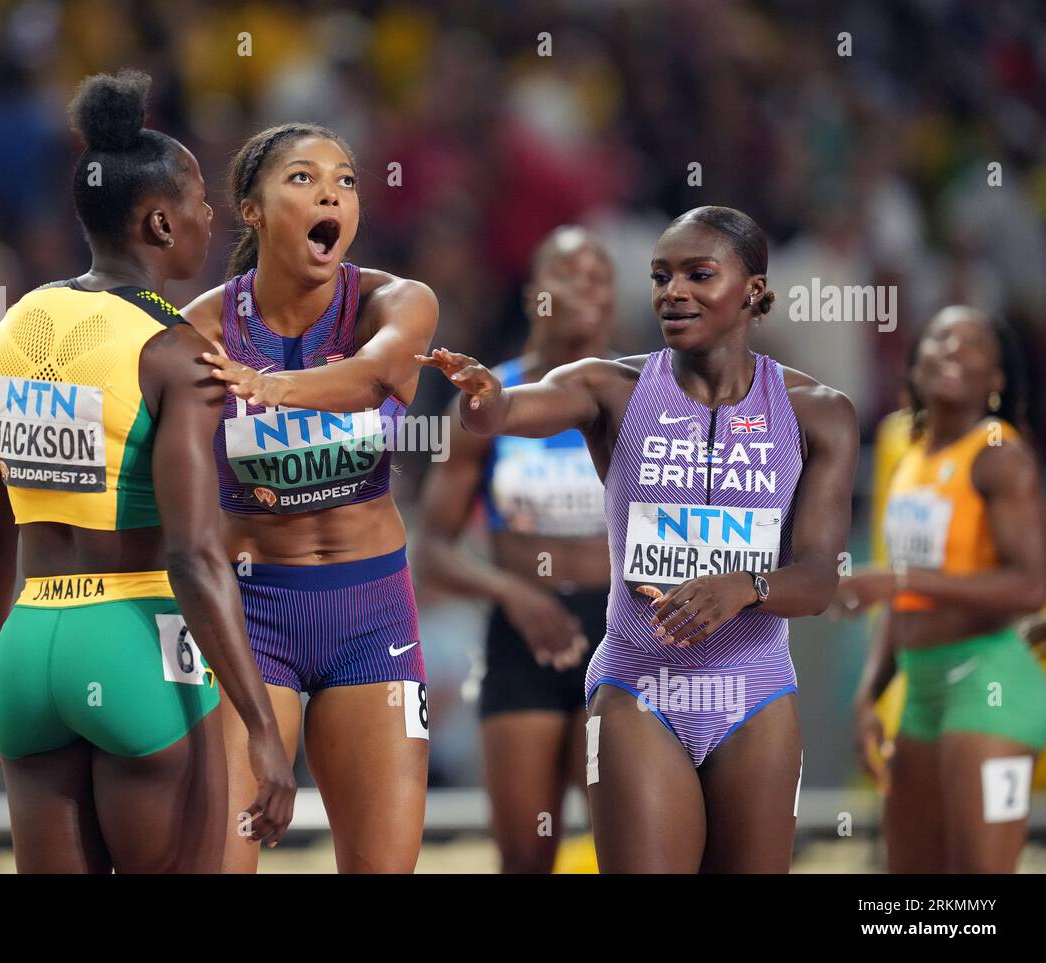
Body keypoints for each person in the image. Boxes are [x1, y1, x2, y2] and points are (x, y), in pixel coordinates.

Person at [0, 120, 439, 873]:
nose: (331, 193)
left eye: (345, 179)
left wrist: (269, 386)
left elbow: (375, 374)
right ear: (251, 209)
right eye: (304, 178)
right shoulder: (191, 331)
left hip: (370, 613)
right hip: (247, 614)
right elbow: (110, 419)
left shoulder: (397, 304)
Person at [419, 206, 858, 873]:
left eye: (697, 274)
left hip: (755, 691)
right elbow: (514, 407)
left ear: (754, 291)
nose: (672, 291)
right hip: (638, 685)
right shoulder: (610, 387)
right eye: (660, 276)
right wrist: (486, 400)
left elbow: (821, 578)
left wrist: (747, 586)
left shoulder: (818, 412)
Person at [0, 69, 294, 872]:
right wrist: (265, 730)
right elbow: (194, 553)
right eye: (201, 199)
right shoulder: (175, 352)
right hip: (137, 643)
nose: (212, 216)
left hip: (28, 651)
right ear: (159, 222)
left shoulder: (17, 324)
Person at [415, 226, 616, 872]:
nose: (587, 287)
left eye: (600, 276)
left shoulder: (640, 398)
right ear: (535, 296)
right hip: (521, 635)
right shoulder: (483, 402)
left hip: (620, 640)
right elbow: (432, 549)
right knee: (525, 858)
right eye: (570, 274)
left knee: (632, 851)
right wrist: (510, 591)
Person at [842, 306, 1046, 873]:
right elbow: (900, 598)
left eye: (973, 343)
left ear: (998, 380)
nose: (952, 348)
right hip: (922, 692)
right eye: (939, 337)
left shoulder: (1001, 457)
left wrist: (901, 580)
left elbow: (1031, 584)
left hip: (989, 687)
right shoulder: (910, 455)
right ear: (915, 361)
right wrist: (867, 698)